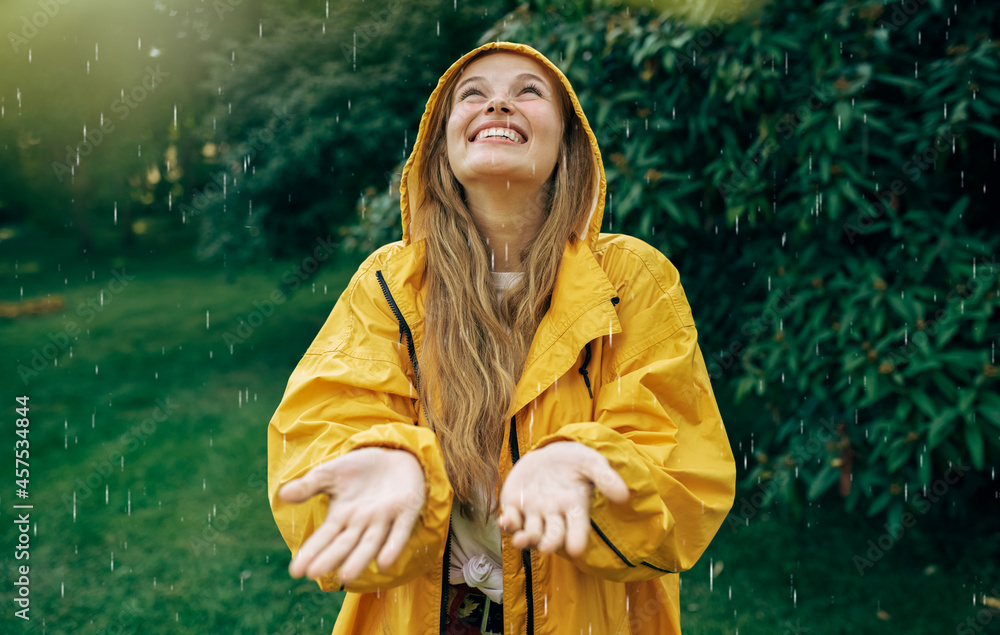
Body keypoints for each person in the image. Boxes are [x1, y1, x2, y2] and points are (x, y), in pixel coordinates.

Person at [267, 40, 736, 634]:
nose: (498, 105)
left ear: (567, 143)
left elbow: (682, 470)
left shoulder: (631, 278)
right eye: (474, 94)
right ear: (442, 147)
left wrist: (585, 465)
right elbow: (328, 416)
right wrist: (383, 459)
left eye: (527, 92)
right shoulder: (388, 283)